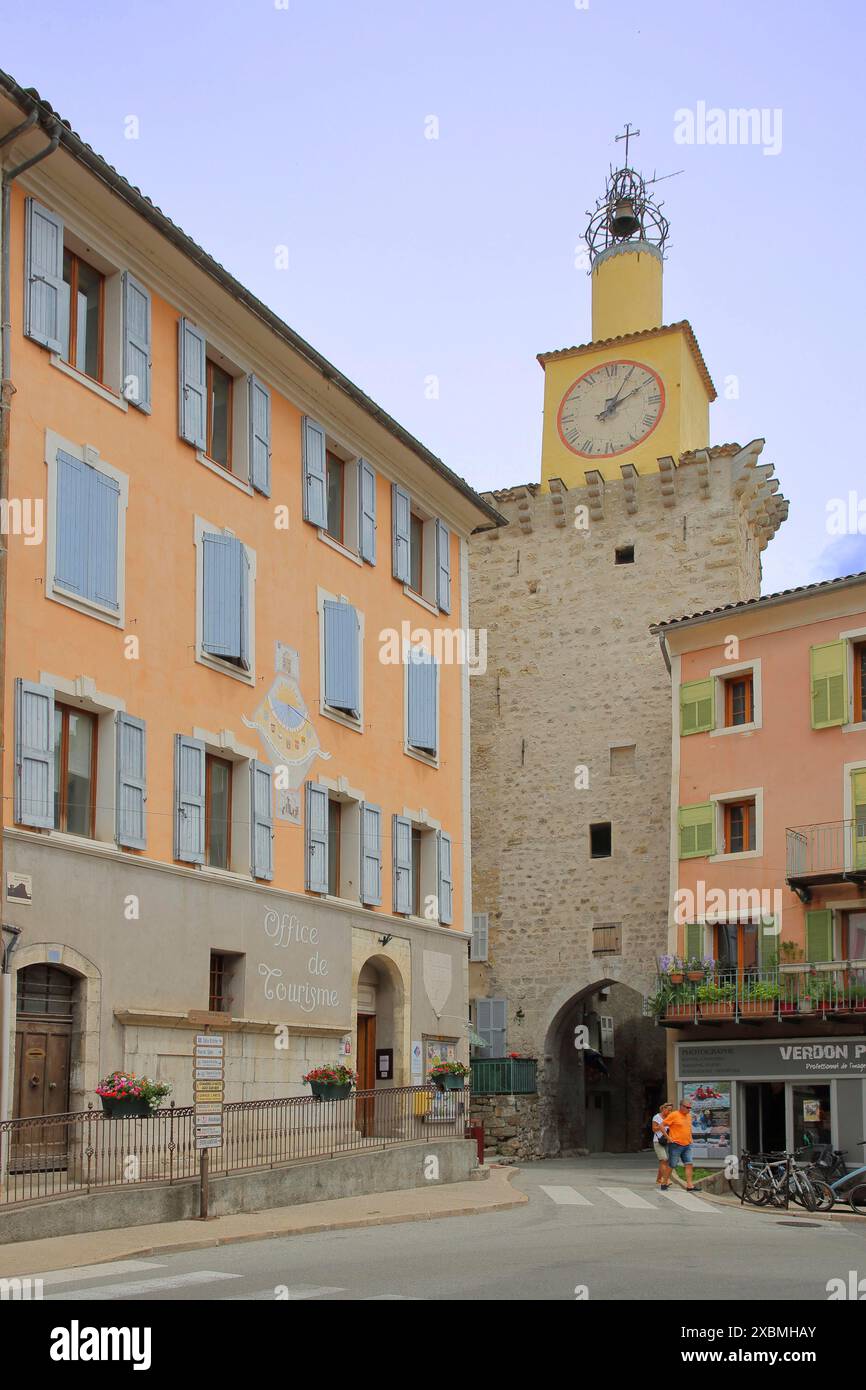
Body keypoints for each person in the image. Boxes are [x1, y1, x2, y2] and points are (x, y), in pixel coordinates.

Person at [666, 1098, 696, 1190]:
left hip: (687, 1144)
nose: (689, 1109)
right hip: (675, 1144)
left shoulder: (689, 1116)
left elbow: (688, 1128)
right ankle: (664, 1181)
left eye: (690, 1108)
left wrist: (690, 1139)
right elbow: (661, 1125)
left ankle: (690, 1185)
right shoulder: (674, 1115)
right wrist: (668, 1137)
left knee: (689, 1163)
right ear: (681, 1106)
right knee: (672, 1164)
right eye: (687, 1107)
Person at [652, 1102, 673, 1189]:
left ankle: (658, 1179)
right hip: (658, 1141)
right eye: (668, 1110)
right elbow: (654, 1129)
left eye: (671, 1110)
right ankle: (666, 1180)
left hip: (667, 1141)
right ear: (663, 1109)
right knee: (664, 1159)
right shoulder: (657, 1117)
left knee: (663, 1161)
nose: (669, 1112)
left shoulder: (670, 1117)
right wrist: (662, 1126)